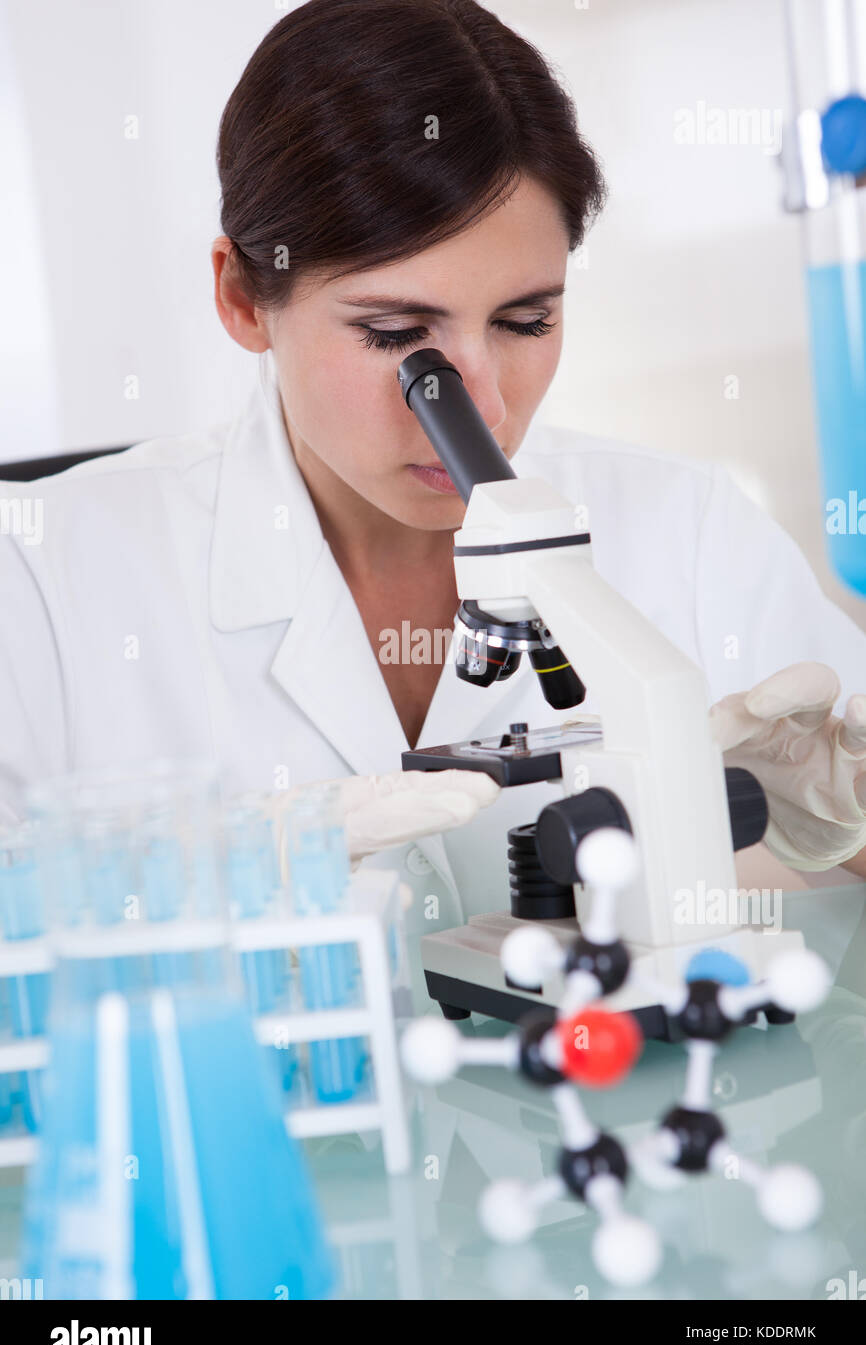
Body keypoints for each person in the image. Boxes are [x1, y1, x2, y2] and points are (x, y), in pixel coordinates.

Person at [1, 0, 865, 951]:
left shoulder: (685, 526)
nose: (480, 404)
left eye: (526, 320)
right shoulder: (40, 577)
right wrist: (214, 870)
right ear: (244, 298)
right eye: (397, 337)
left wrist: (843, 815)